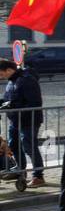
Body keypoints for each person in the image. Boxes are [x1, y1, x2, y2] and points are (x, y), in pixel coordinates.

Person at [0, 58, 46, 188]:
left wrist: (12, 105)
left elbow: (34, 102)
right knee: (13, 144)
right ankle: (20, 170)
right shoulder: (12, 80)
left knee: (29, 146)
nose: (1, 77)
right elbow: (10, 98)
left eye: (1, 74)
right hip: (15, 119)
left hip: (29, 120)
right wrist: (3, 103)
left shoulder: (27, 80)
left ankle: (38, 176)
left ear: (9, 70)